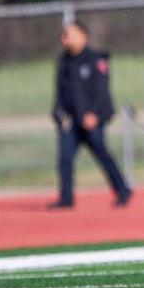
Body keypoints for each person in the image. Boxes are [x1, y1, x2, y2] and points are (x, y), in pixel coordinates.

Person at [48, 21, 133, 209]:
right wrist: (58, 112)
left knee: (102, 154)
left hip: (91, 120)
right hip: (71, 120)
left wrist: (93, 113)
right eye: (63, 35)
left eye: (68, 35)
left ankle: (122, 190)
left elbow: (101, 91)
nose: (64, 39)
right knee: (65, 158)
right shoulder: (64, 61)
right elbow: (61, 91)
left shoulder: (96, 59)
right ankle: (66, 198)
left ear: (82, 36)